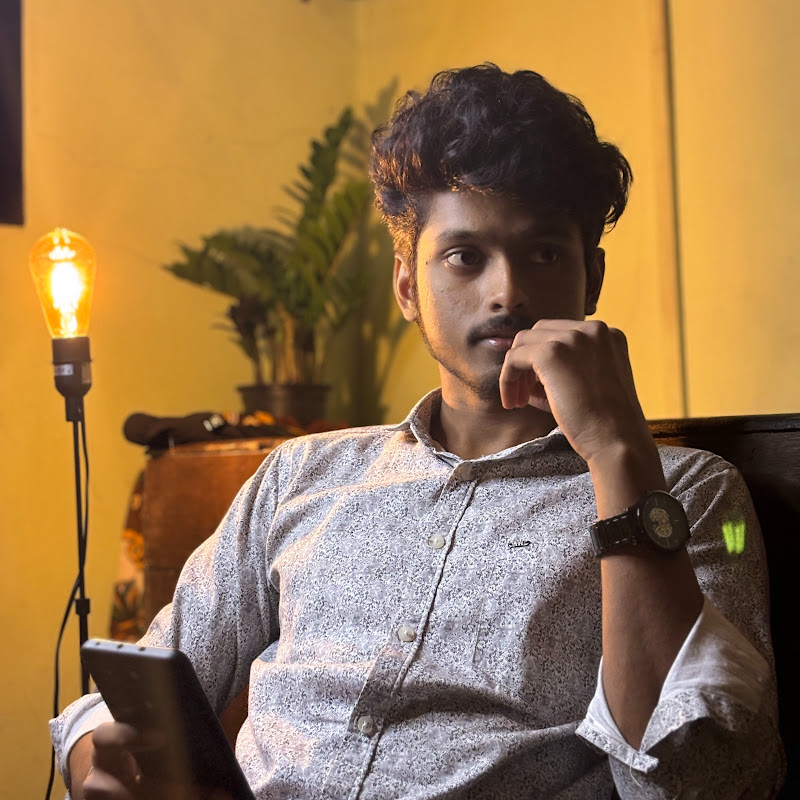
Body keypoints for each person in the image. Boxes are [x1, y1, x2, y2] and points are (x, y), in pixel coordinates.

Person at [52, 64, 785, 799]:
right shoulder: (298, 477)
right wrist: (98, 761)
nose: (507, 293)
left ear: (589, 280)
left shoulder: (686, 495)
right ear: (408, 286)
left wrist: (618, 453)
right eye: (466, 257)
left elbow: (703, 781)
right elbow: (124, 697)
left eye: (544, 254)